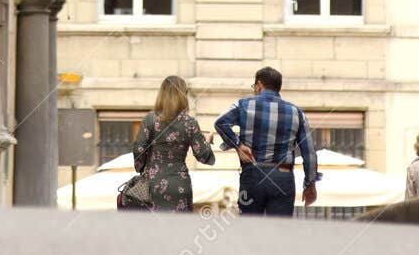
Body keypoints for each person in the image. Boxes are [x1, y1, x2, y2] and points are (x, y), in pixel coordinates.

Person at [215, 66, 318, 216]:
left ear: (259, 85)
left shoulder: (243, 105)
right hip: (283, 177)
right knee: (279, 232)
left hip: (252, 175)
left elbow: (220, 123)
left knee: (249, 230)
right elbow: (309, 153)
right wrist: (310, 184)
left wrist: (238, 145)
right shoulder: (297, 113)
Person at [132, 75, 215, 211]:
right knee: (180, 230)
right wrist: (207, 142)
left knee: (154, 230)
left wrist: (142, 168)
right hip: (180, 185)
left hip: (153, 185)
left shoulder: (150, 120)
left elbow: (139, 149)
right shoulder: (190, 123)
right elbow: (203, 156)